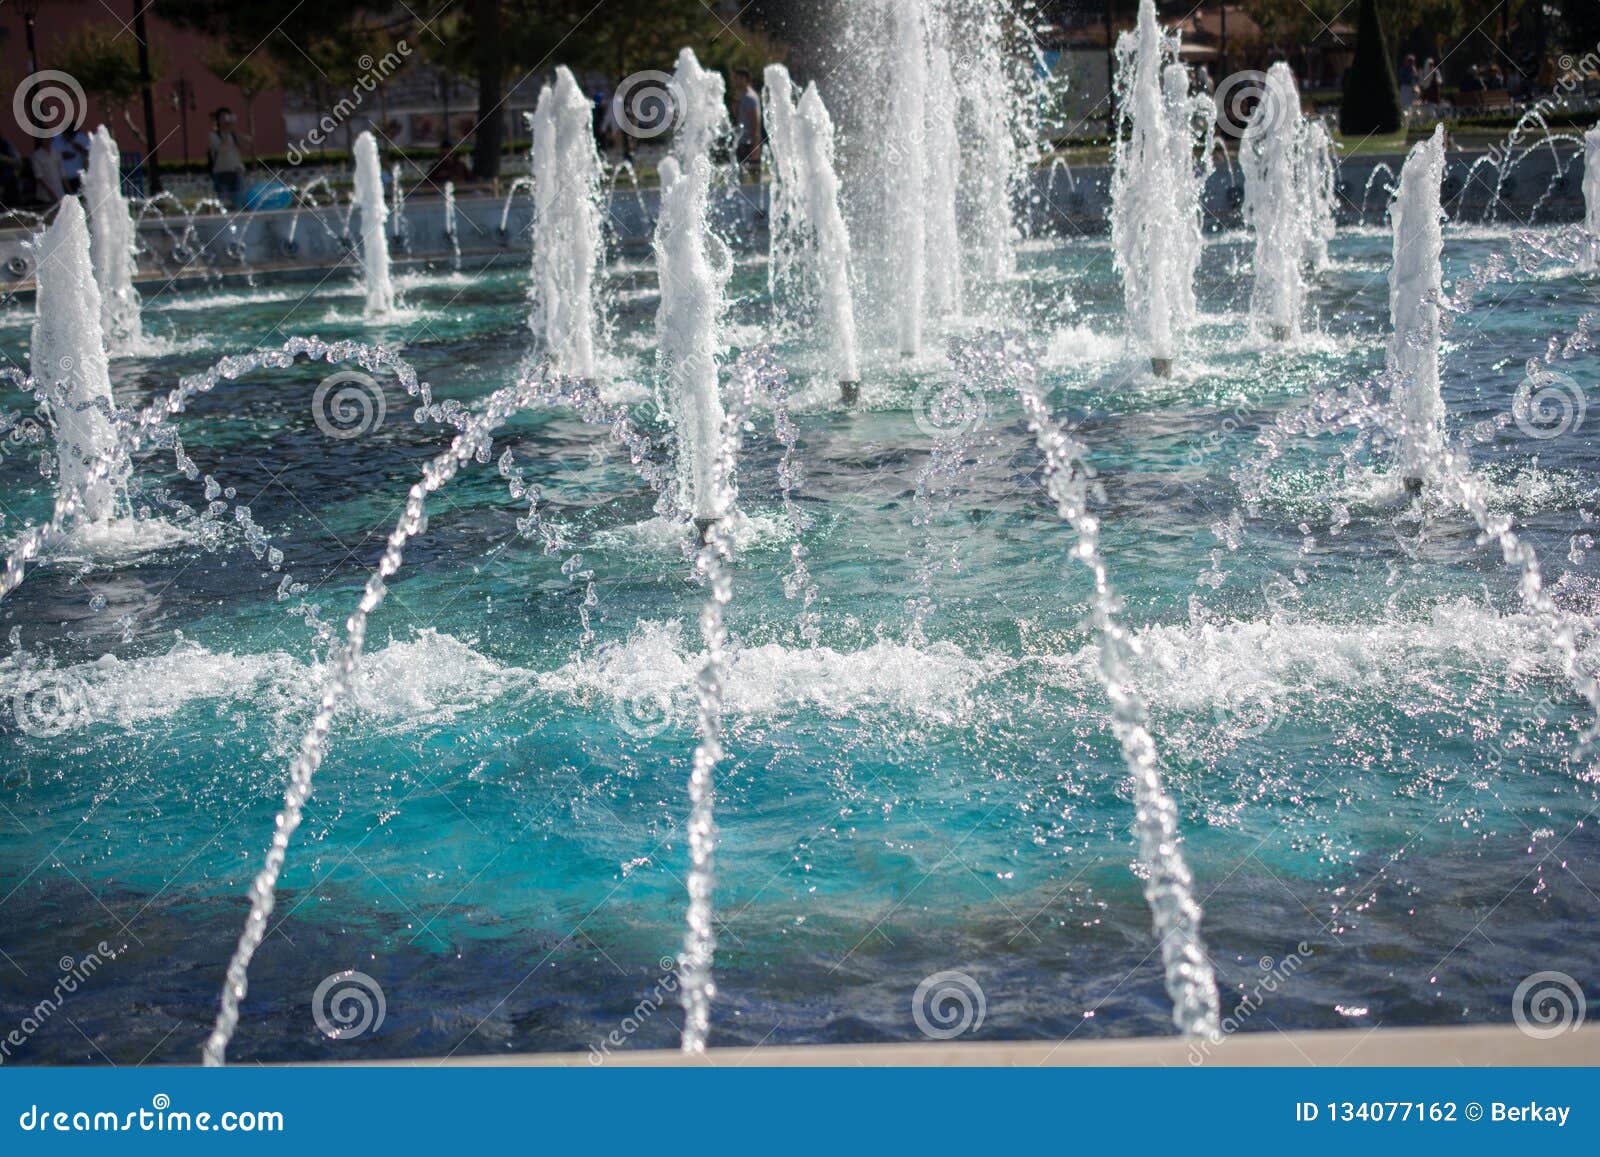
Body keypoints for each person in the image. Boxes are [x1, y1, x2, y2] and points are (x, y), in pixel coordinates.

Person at [207, 107, 250, 209]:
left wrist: (235, 130)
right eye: (222, 118)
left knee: (238, 204)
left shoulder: (234, 134)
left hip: (236, 171)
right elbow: (221, 149)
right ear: (218, 120)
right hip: (221, 173)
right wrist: (226, 133)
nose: (225, 121)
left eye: (227, 117)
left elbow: (247, 144)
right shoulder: (213, 135)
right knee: (224, 205)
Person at [731, 68, 761, 178]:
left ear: (745, 79)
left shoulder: (749, 97)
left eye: (738, 78)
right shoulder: (743, 96)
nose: (735, 81)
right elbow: (740, 118)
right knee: (742, 176)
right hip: (743, 141)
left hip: (749, 142)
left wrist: (755, 144)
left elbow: (755, 120)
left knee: (753, 176)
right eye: (735, 78)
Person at [53, 127, 90, 193]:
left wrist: (81, 149)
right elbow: (50, 156)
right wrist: (62, 156)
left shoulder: (81, 138)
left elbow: (91, 154)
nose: (69, 138)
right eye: (67, 136)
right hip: (64, 179)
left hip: (79, 177)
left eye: (72, 136)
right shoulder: (55, 139)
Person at [29, 137, 65, 205]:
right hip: (45, 195)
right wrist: (50, 192)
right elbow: (38, 177)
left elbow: (63, 173)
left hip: (59, 191)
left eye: (49, 139)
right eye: (45, 139)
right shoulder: (36, 155)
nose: (47, 141)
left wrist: (69, 190)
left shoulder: (56, 153)